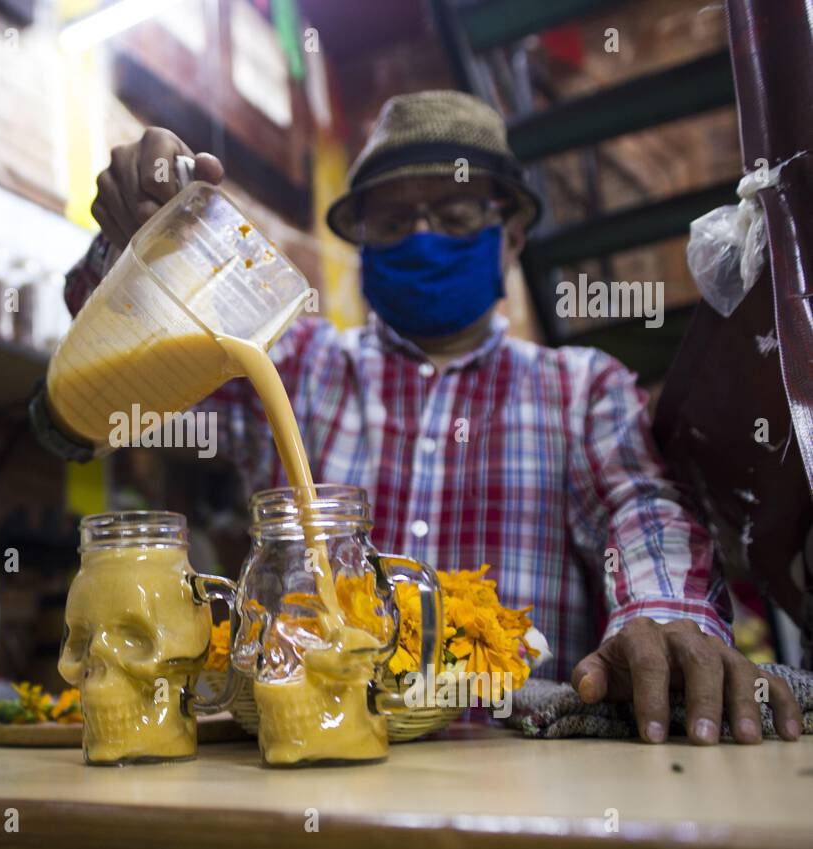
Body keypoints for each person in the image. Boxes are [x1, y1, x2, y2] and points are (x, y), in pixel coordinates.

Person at [47, 90, 801, 745]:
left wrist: (665, 613)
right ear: (362, 245)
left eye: (457, 210)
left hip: (520, 792)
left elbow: (644, 508)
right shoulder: (290, 362)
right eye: (394, 218)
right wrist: (137, 240)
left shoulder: (581, 389)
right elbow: (124, 379)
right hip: (304, 768)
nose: (423, 234)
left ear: (509, 236)